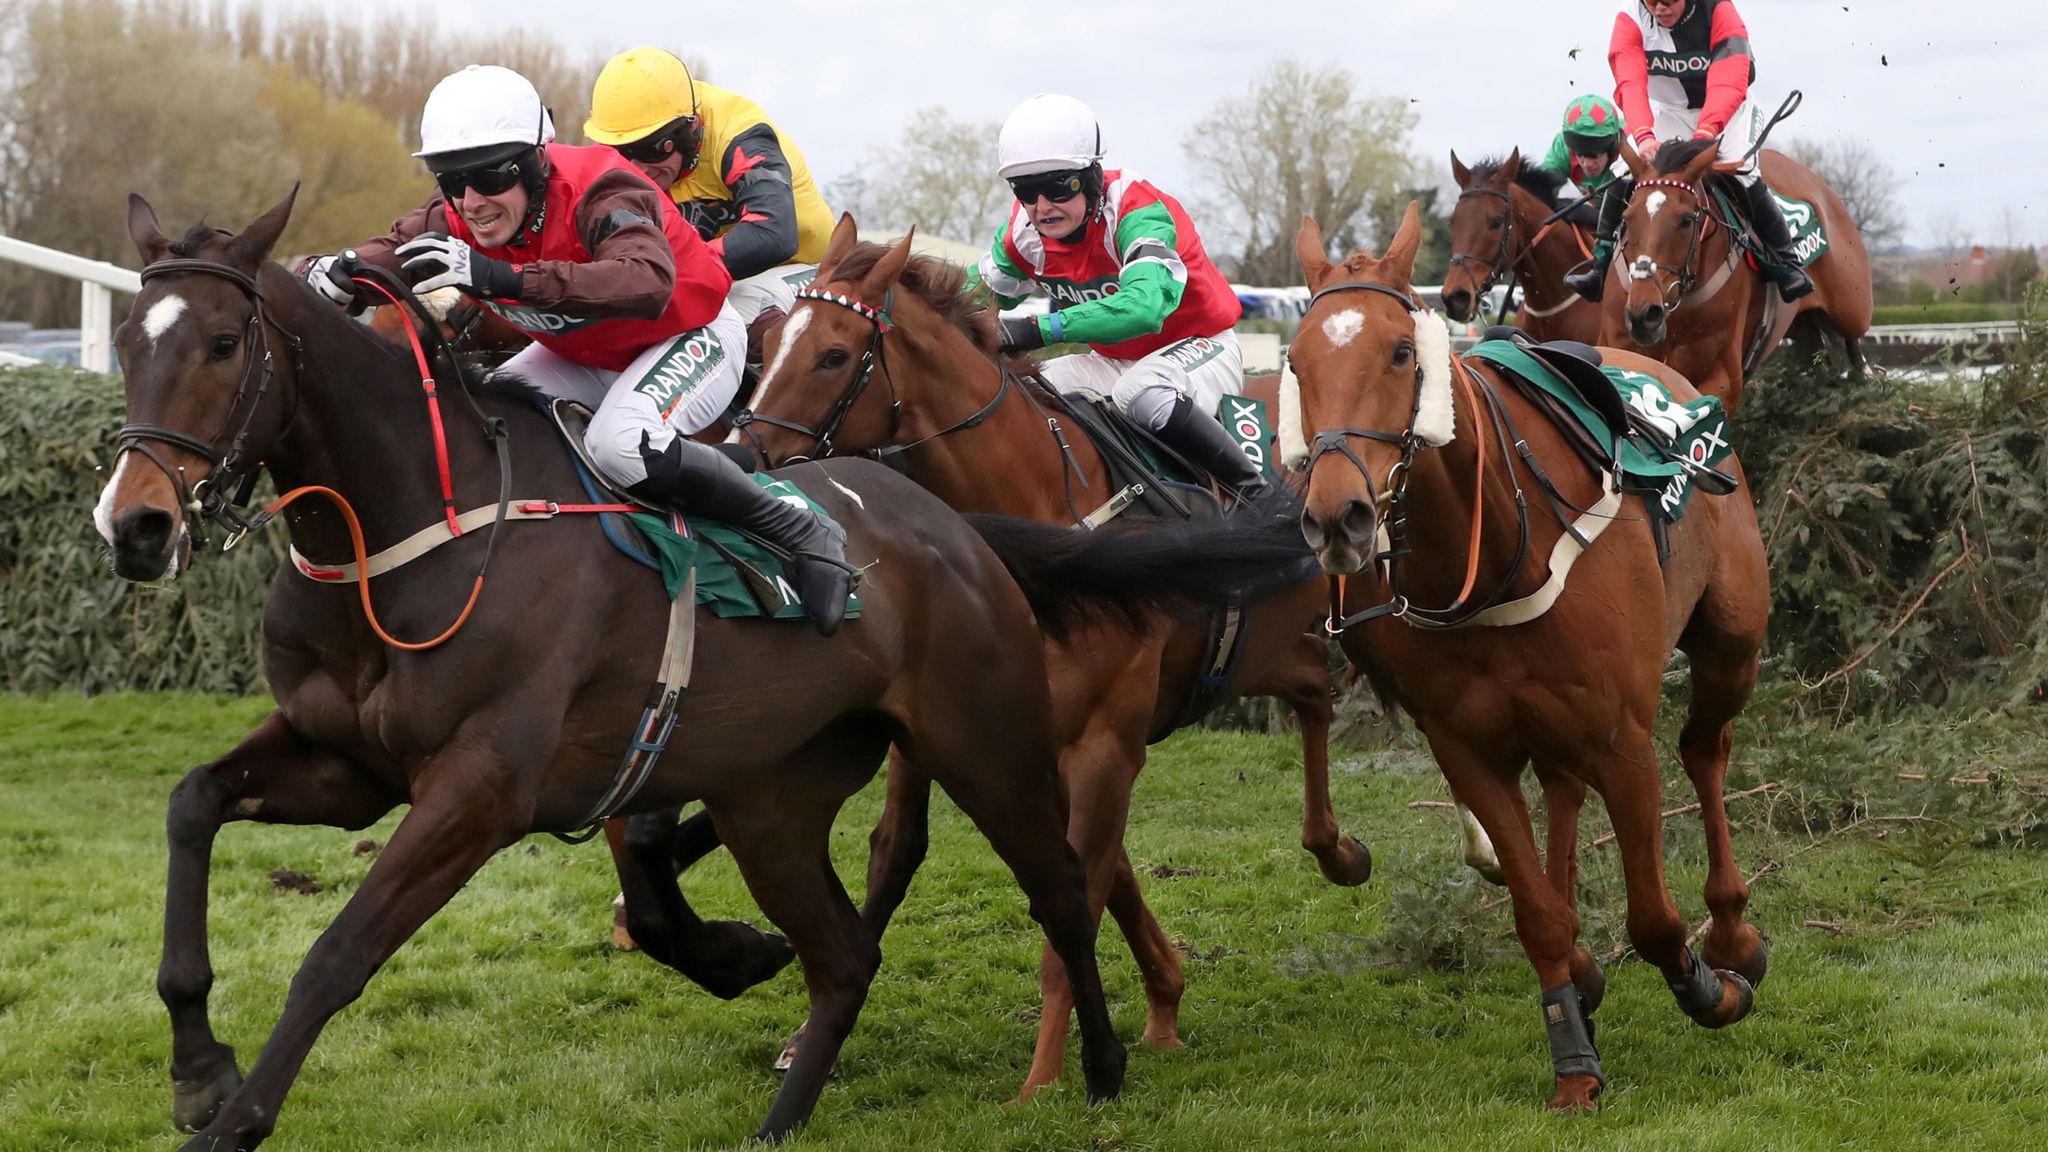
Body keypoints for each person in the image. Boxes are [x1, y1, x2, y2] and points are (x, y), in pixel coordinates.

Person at [302, 64, 851, 634]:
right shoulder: (459, 210)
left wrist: (500, 277)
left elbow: (646, 279)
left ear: (535, 162)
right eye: (451, 180)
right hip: (590, 351)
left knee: (618, 444)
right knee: (484, 423)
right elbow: (388, 250)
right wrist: (329, 273)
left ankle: (801, 529)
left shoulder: (603, 190)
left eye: (489, 176)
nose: (471, 201)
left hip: (692, 333)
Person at [972, 93, 1263, 497]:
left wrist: (1036, 330)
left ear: (1091, 178)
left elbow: (1144, 308)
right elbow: (964, 295)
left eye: (1058, 187)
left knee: (1142, 392)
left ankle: (1260, 496)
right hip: (1114, 361)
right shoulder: (1022, 236)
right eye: (1025, 190)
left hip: (1201, 345)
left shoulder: (1138, 211)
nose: (1041, 206)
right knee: (1024, 390)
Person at [583, 47, 834, 355]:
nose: (637, 170)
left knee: (736, 308)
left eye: (650, 149)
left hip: (810, 267)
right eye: (621, 153)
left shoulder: (738, 134)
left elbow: (774, 235)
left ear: (690, 128)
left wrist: (685, 252)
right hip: (732, 272)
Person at [1563, 0, 1813, 302]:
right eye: (1651, 1)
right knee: (1624, 170)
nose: (1659, 8)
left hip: (1729, 110)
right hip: (1669, 111)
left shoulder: (1718, 10)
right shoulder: (1630, 18)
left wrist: (1706, 132)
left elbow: (1728, 79)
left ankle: (1787, 262)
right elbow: (1630, 82)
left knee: (1742, 170)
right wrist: (1643, 134)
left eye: (1669, 0)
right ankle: (1600, 263)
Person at [1537, 94, 1630, 214]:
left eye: (1594, 155)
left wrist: (1593, 215)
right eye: (1579, 154)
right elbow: (1543, 182)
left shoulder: (1631, 146)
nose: (1587, 164)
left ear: (1612, 147)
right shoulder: (1562, 146)